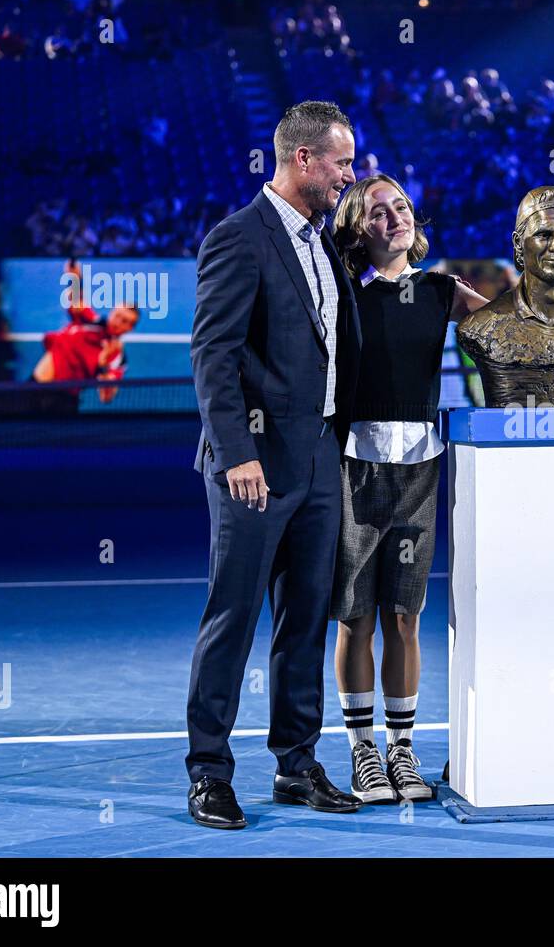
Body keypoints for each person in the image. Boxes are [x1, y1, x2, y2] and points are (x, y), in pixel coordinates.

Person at [331, 175, 554, 802]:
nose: (393, 217)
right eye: (378, 211)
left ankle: (402, 750)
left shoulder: (446, 293)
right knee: (356, 617)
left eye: (402, 207)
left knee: (406, 616)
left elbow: (517, 323)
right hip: (353, 467)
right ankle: (363, 749)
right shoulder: (339, 294)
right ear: (357, 228)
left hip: (421, 466)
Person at [186, 101, 364, 829]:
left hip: (319, 458)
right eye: (342, 163)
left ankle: (297, 762)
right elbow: (213, 356)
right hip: (254, 467)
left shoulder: (321, 243)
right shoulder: (239, 238)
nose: (349, 177)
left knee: (306, 622)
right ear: (302, 160)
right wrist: (238, 456)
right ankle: (208, 774)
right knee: (233, 618)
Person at [32, 261, 138, 405]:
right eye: (117, 316)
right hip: (32, 388)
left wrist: (103, 364)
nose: (118, 322)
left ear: (130, 328)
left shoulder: (117, 356)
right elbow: (76, 302)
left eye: (125, 321)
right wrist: (75, 277)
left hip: (63, 402)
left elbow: (106, 397)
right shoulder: (90, 321)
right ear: (112, 312)